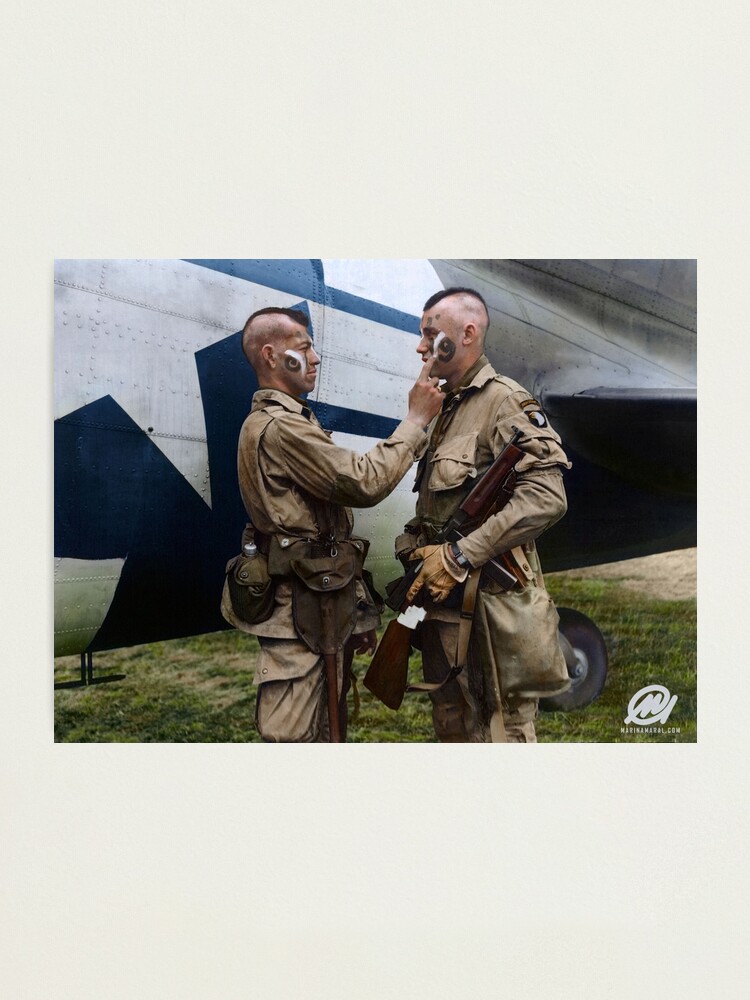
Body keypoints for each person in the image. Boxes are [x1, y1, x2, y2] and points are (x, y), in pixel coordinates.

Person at [230, 305, 443, 742]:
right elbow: (363, 482)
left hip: (319, 603)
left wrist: (354, 616)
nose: (316, 358)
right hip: (302, 609)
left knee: (328, 726)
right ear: (271, 356)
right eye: (303, 348)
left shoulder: (289, 421)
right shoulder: (282, 428)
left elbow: (328, 534)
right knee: (293, 737)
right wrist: (416, 420)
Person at [397, 287, 572, 743]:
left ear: (468, 333)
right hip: (442, 609)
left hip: (491, 613)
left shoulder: (505, 403)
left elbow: (545, 498)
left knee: (499, 733)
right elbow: (437, 507)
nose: (421, 346)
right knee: (451, 726)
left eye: (430, 334)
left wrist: (457, 556)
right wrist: (416, 549)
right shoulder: (444, 408)